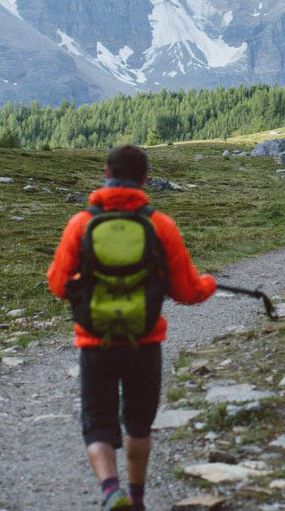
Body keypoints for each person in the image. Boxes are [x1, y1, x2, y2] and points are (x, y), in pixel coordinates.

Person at [48, 144, 216, 511]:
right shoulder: (160, 225)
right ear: (144, 178)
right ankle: (137, 501)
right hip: (145, 342)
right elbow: (187, 292)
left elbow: (58, 285)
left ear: (106, 174)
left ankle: (111, 492)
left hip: (95, 342)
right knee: (139, 426)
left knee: (97, 425)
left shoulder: (82, 224)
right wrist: (209, 283)